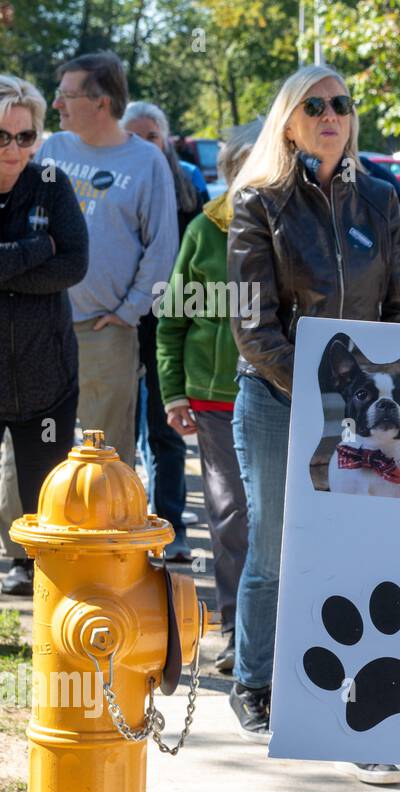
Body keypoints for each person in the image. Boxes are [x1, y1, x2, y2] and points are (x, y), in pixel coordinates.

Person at [226, 65, 400, 775]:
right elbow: (254, 327)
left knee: (360, 555)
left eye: (341, 103)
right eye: (315, 105)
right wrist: (323, 398)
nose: (332, 113)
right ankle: (255, 682)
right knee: (277, 548)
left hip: (365, 417)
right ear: (289, 119)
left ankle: (358, 707)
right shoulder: (260, 203)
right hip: (279, 401)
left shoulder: (383, 199)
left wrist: (370, 399)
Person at [36, 51, 178, 469]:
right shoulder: (52, 149)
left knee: (105, 460)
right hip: (41, 327)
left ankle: (105, 537)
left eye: (66, 95)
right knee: (31, 452)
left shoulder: (147, 161)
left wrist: (128, 311)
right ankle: (21, 537)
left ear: (101, 102)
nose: (57, 104)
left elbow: (162, 248)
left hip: (105, 332)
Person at [156, 121, 261, 675]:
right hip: (215, 400)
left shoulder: (293, 225)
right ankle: (237, 635)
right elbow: (171, 320)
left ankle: (272, 636)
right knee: (230, 515)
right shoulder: (203, 229)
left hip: (281, 394)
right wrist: (174, 393)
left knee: (276, 520)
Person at [0, 74, 89, 596]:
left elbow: (75, 263)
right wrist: (39, 248)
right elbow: (54, 256)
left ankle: (50, 611)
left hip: (47, 379)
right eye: (3, 136)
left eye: (25, 137)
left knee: (46, 501)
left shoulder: (52, 181)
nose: (15, 149)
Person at [122, 100, 208, 563]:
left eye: (151, 136)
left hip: (168, 322)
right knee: (116, 429)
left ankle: (170, 524)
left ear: (167, 140)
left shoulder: (189, 185)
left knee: (165, 428)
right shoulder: (119, 184)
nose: (144, 146)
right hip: (118, 318)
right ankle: (116, 520)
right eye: (132, 137)